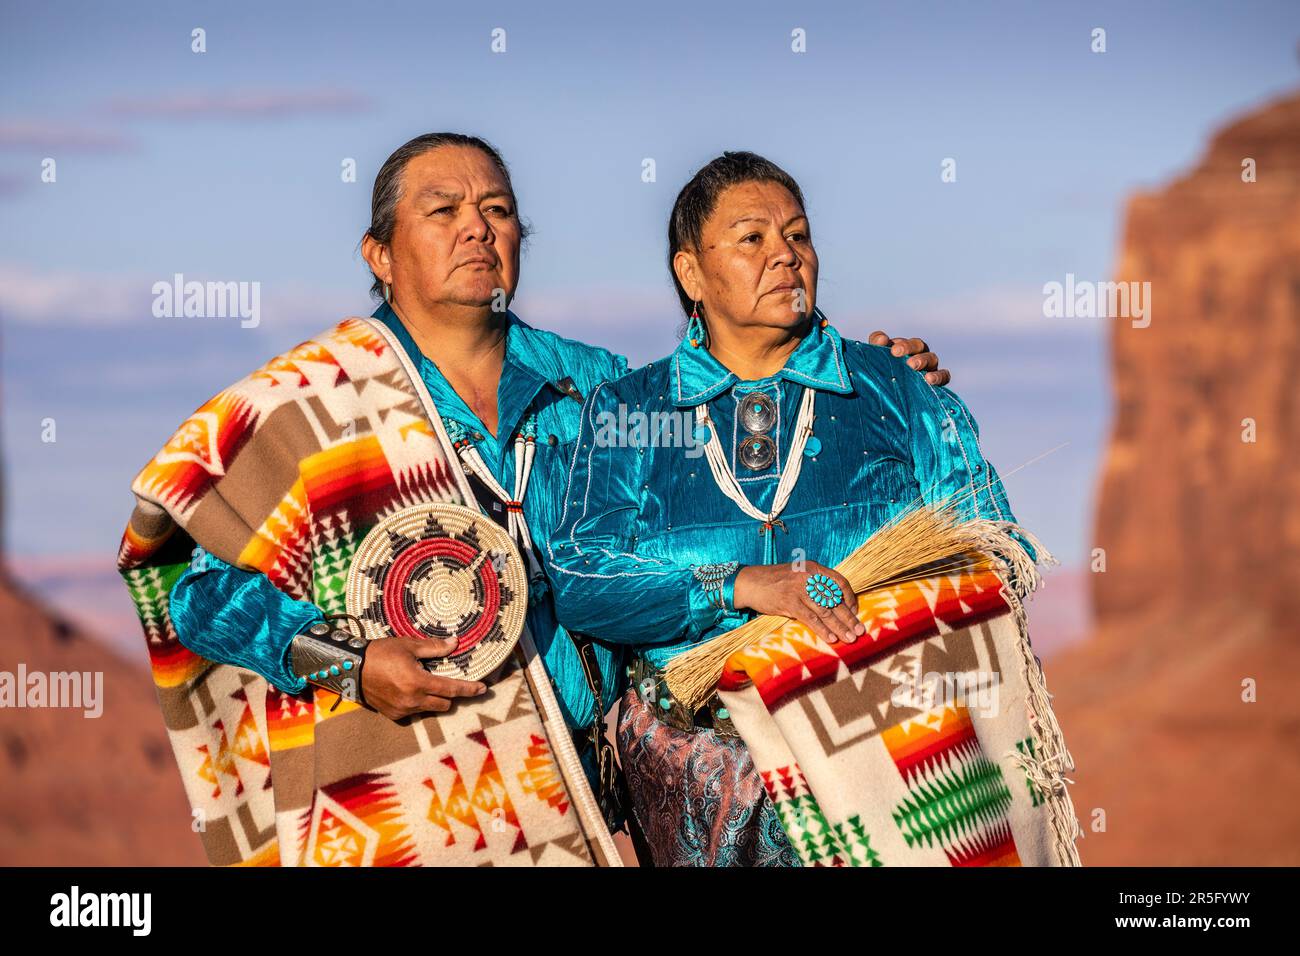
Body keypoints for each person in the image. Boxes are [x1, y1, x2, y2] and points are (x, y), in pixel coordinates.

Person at [119, 133, 946, 866]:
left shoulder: (600, 389)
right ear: (378, 252)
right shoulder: (308, 405)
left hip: (592, 791)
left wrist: (867, 378)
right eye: (444, 210)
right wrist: (347, 663)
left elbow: (748, 460)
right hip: (412, 785)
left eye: (499, 210)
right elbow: (195, 590)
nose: (478, 228)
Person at [546, 151, 1021, 866]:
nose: (785, 256)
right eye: (752, 238)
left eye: (798, 235)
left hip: (894, 771)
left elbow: (992, 548)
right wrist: (736, 586)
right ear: (690, 274)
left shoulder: (891, 386)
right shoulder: (631, 410)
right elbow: (583, 580)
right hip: (704, 793)